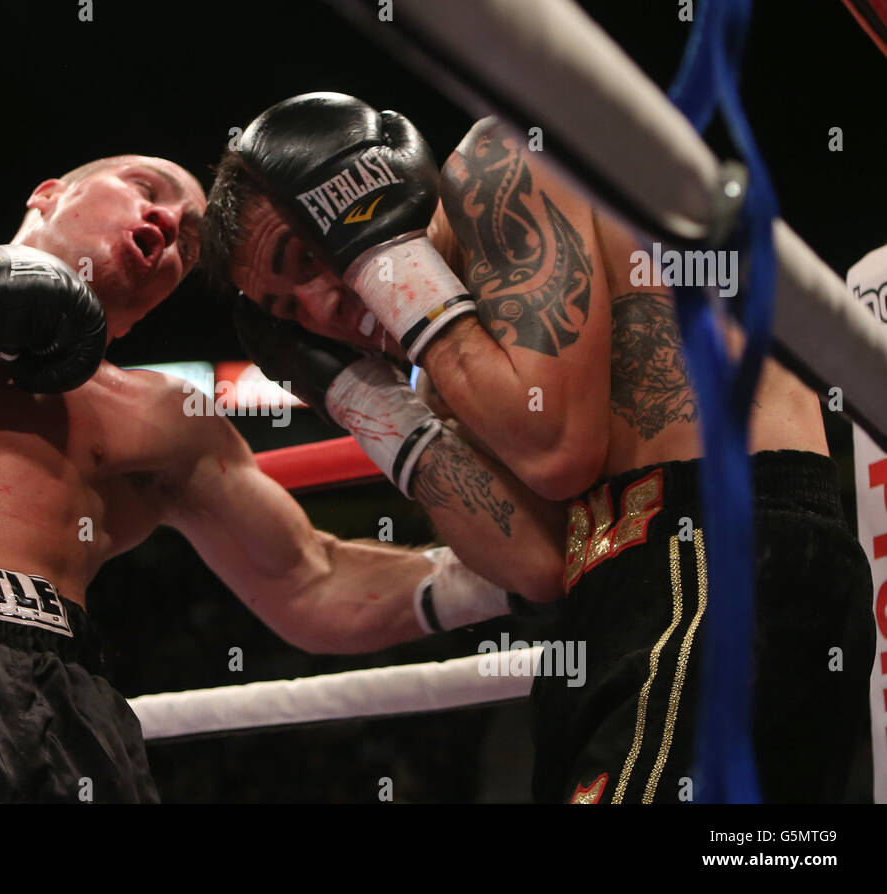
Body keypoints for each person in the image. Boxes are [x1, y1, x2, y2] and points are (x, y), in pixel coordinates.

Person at [0, 153, 555, 804]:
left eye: (190, 239)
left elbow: (312, 581)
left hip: (64, 710)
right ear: (48, 193)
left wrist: (506, 578)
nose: (171, 223)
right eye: (147, 187)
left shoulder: (159, 417)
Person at [204, 92, 874, 803]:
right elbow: (539, 560)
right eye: (288, 313)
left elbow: (557, 447)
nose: (319, 310)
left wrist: (384, 262)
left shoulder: (498, 165)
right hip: (626, 597)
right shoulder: (451, 377)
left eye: (306, 257)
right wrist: (366, 402)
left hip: (719, 549)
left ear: (362, 189)